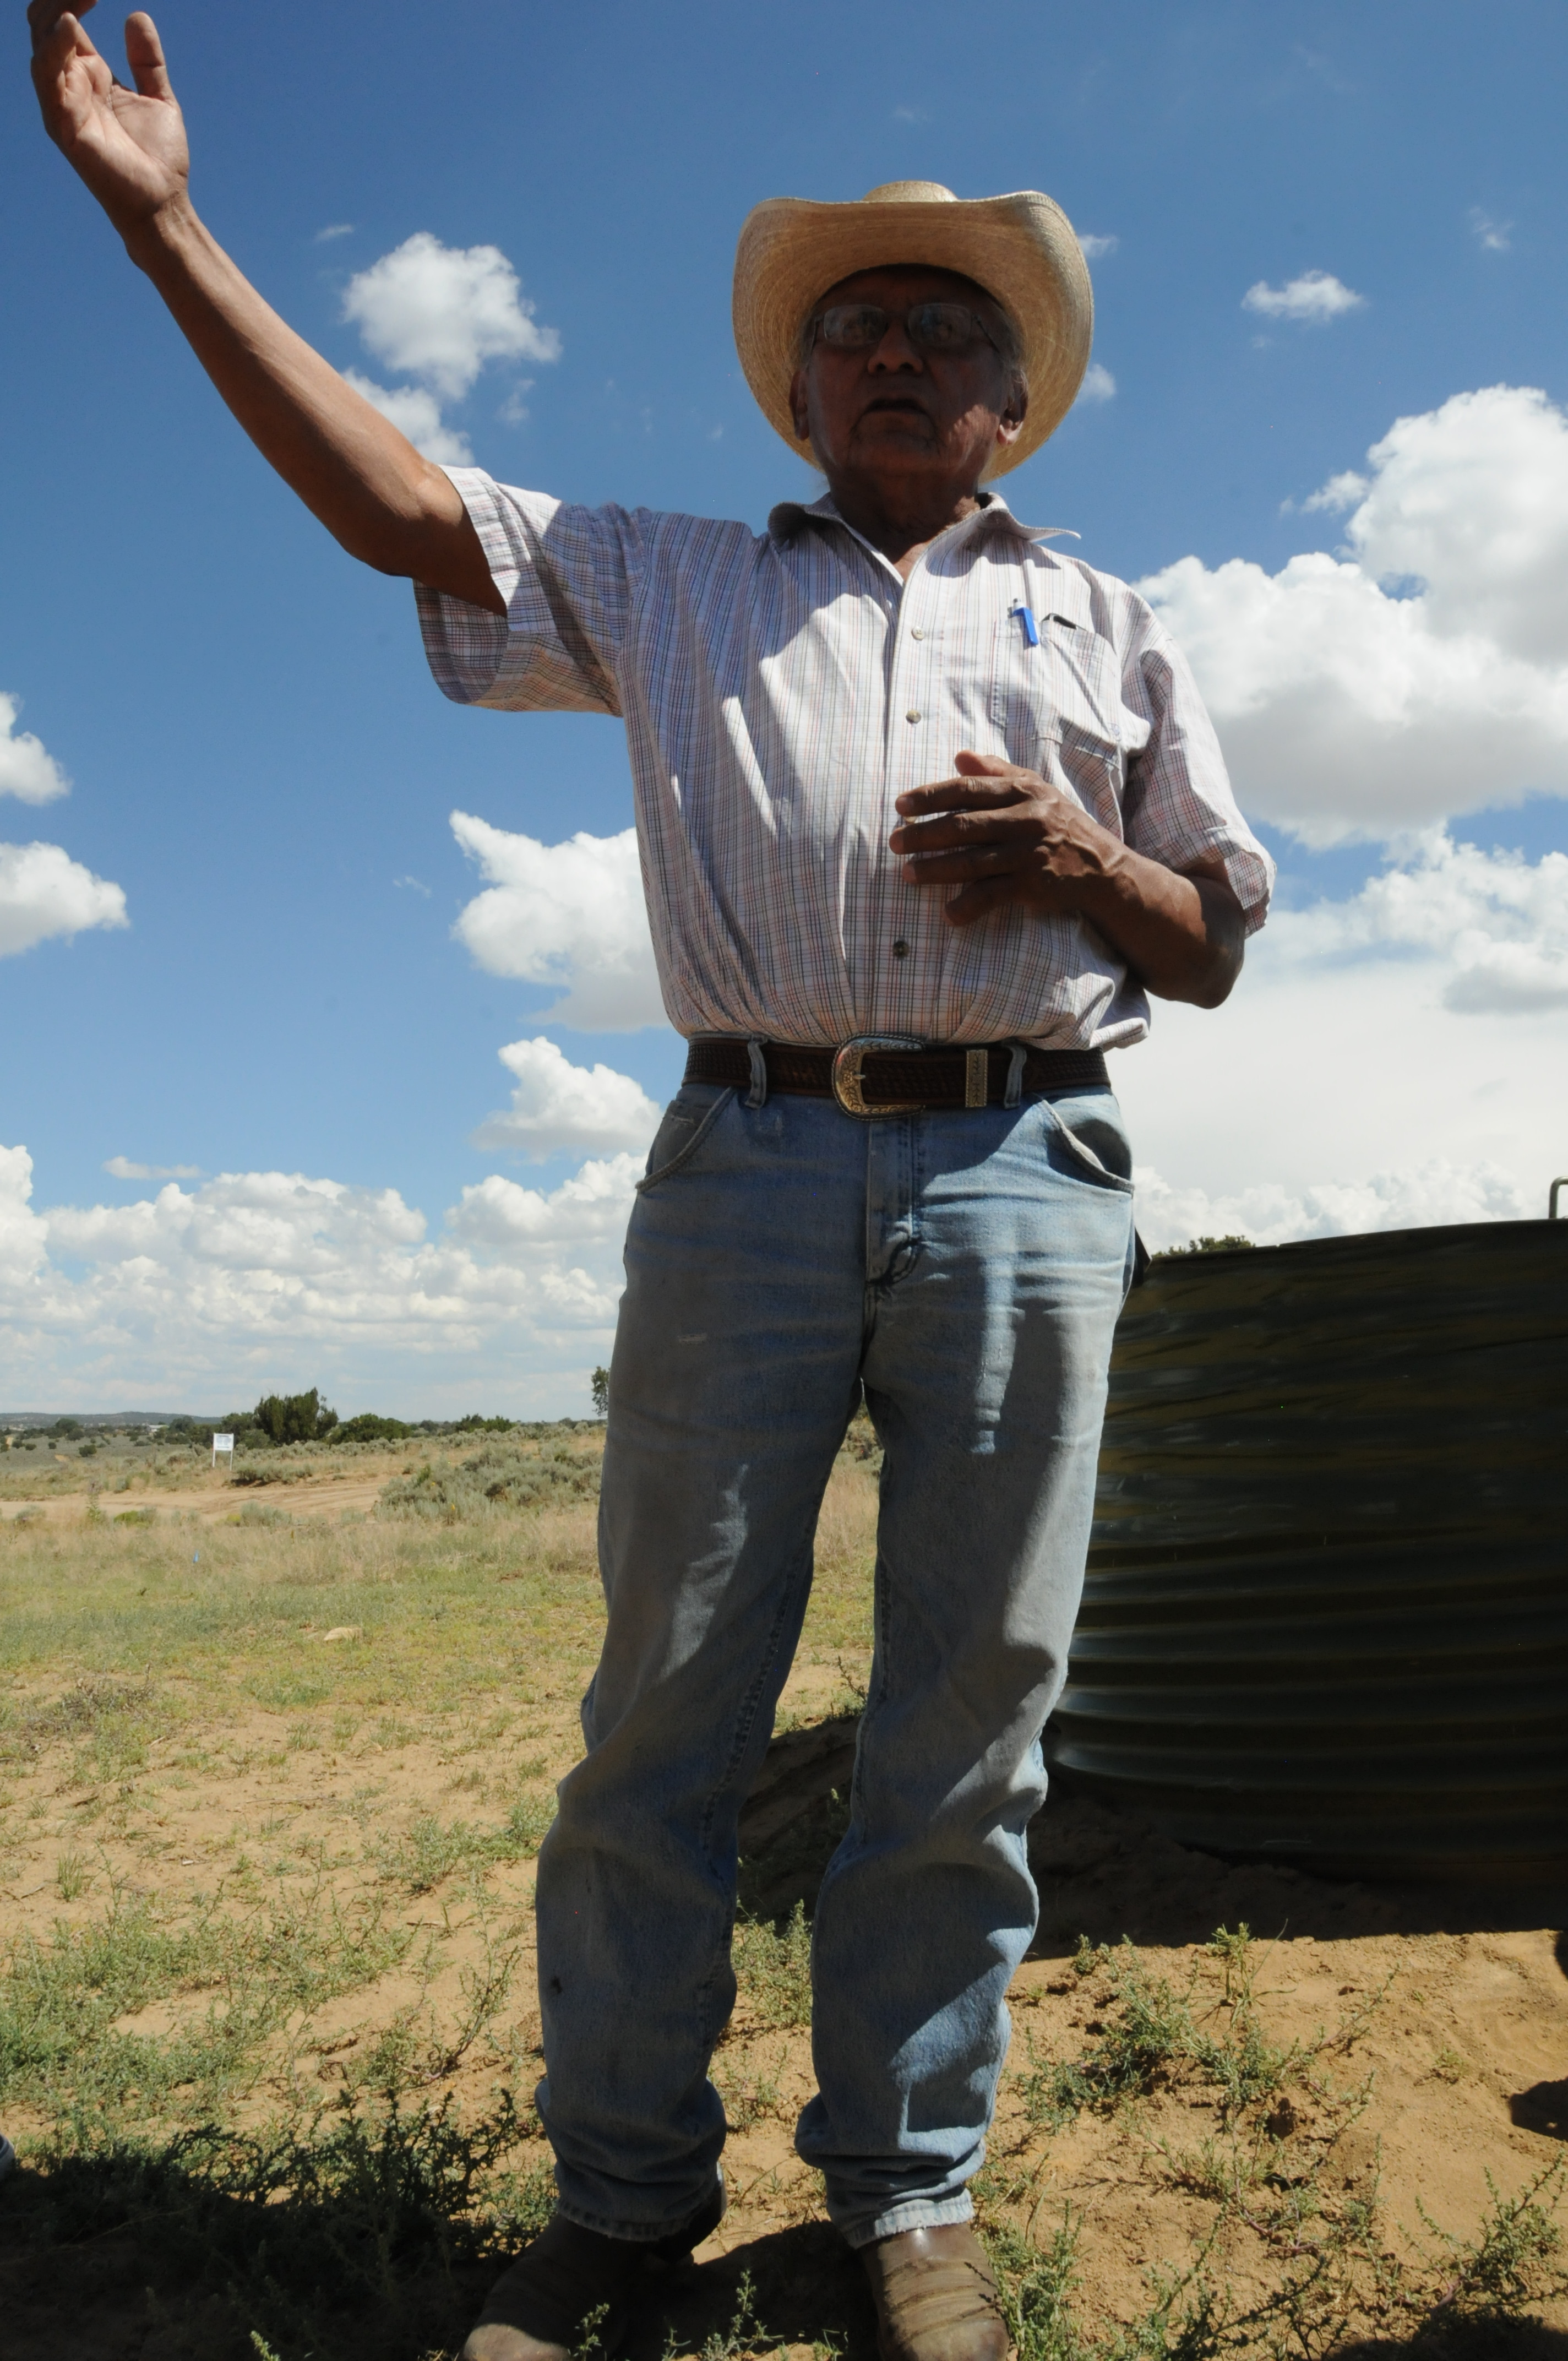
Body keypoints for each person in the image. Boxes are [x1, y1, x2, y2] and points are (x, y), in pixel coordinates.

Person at [29, 12, 1275, 2357]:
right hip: (744, 1163)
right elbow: (403, 508)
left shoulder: (1113, 623)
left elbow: (1211, 939)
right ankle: (617, 2202)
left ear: (1014, 404)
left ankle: (910, 2204)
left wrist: (1087, 851)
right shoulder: (670, 574)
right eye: (854, 333)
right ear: (798, 401)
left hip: (1027, 1165)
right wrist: (160, 218)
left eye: (947, 336)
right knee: (660, 1710)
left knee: (968, 1715)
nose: (897, 354)